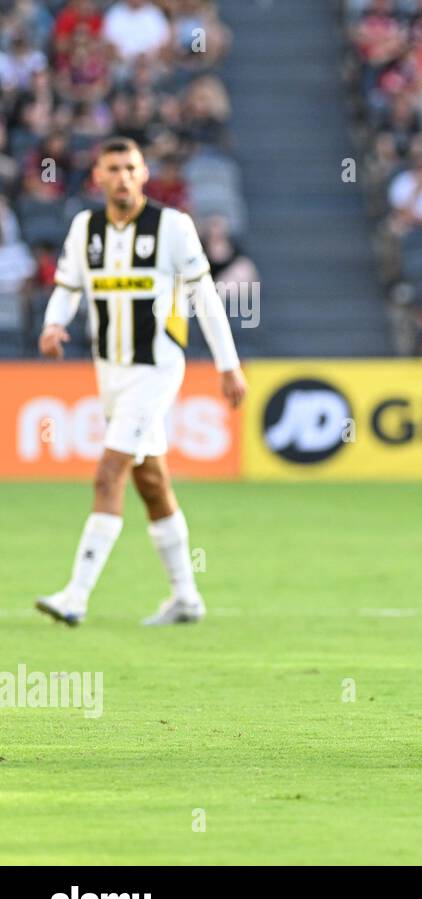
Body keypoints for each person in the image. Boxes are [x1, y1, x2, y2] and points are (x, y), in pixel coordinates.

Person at [35, 136, 246, 626]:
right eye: (113, 168)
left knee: (108, 473)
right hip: (108, 371)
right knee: (151, 481)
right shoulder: (85, 228)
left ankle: (76, 596)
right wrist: (52, 323)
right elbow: (67, 288)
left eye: (131, 167)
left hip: (156, 369)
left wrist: (228, 364)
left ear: (144, 173)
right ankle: (186, 598)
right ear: (98, 177)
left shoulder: (173, 227)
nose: (123, 176)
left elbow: (205, 298)